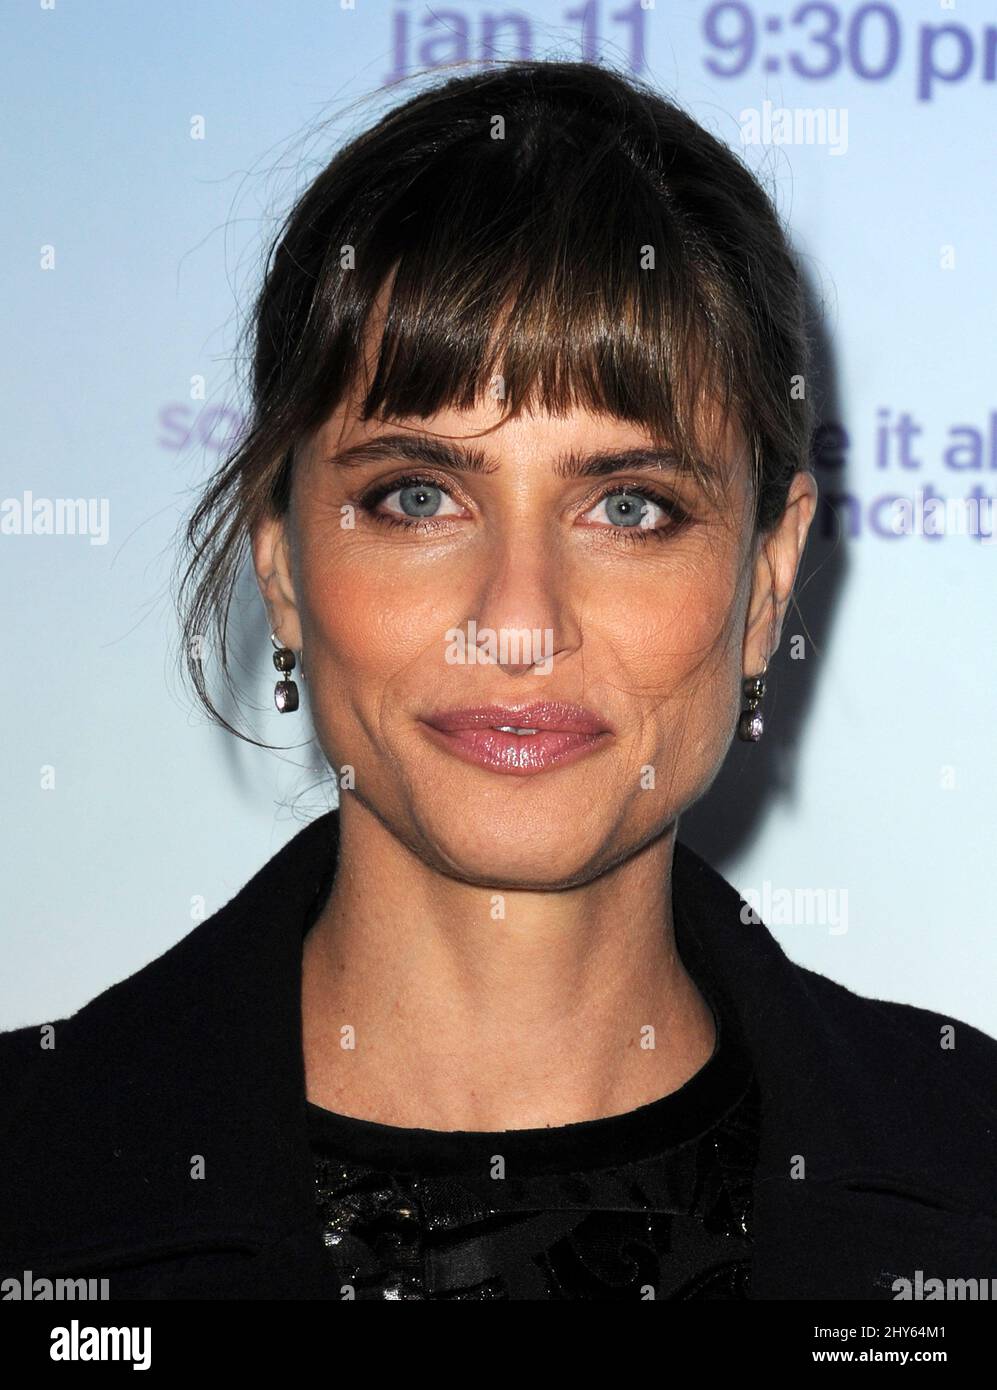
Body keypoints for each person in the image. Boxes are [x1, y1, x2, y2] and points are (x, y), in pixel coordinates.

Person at [2, 59, 995, 1303]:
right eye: (416, 497)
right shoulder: (29, 1189)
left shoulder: (969, 1177)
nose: (515, 625)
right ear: (286, 566)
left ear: (765, 583)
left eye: (629, 506)